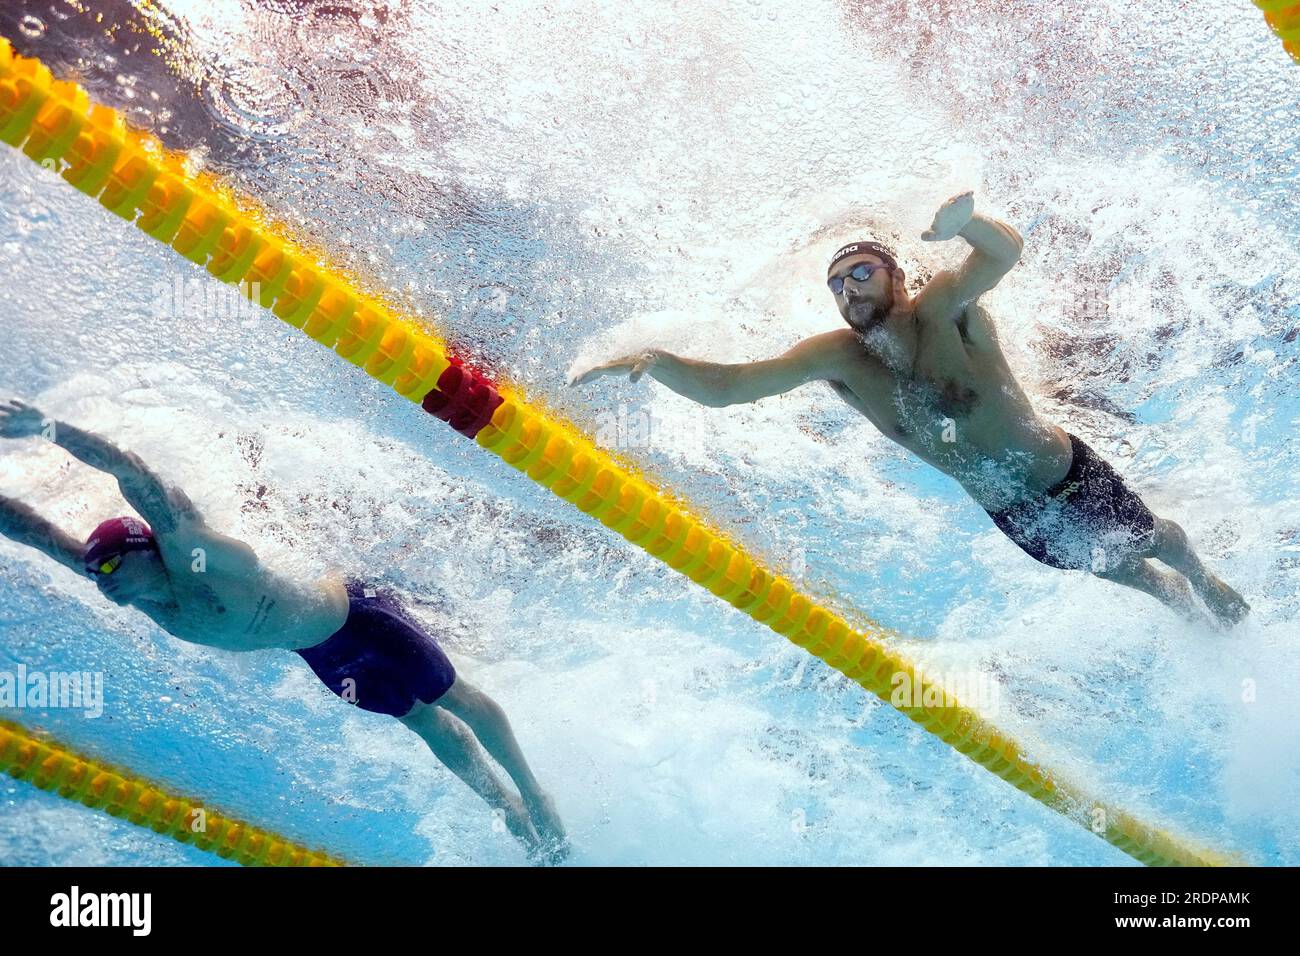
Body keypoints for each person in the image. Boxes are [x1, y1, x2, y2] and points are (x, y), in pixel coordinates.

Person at [570, 191, 1249, 628]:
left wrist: (966, 224)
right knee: (1120, 572)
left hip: (1060, 475)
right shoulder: (838, 358)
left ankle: (1198, 574)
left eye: (860, 272)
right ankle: (1170, 599)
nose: (847, 289)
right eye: (837, 283)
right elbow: (730, 389)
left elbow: (1002, 252)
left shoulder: (941, 310)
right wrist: (659, 363)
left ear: (895, 275)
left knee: (1152, 541)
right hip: (1011, 514)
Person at [0, 398, 567, 861]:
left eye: (106, 565)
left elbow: (131, 471)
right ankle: (507, 811)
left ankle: (533, 792)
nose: (99, 580)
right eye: (94, 570)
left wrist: (47, 427)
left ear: (140, 550)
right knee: (423, 723)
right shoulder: (141, 595)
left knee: (454, 697)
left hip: (359, 618)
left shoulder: (188, 548)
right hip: (322, 657)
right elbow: (32, 531)